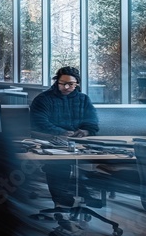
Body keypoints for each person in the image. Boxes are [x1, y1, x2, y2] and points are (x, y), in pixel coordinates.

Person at [30, 66, 100, 207]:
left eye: (71, 84)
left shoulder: (83, 99)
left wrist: (85, 131)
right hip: (52, 141)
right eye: (63, 83)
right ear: (57, 82)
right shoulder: (43, 99)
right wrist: (60, 132)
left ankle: (81, 194)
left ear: (76, 84)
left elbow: (92, 122)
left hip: (79, 143)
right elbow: (39, 123)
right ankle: (63, 200)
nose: (67, 87)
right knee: (60, 163)